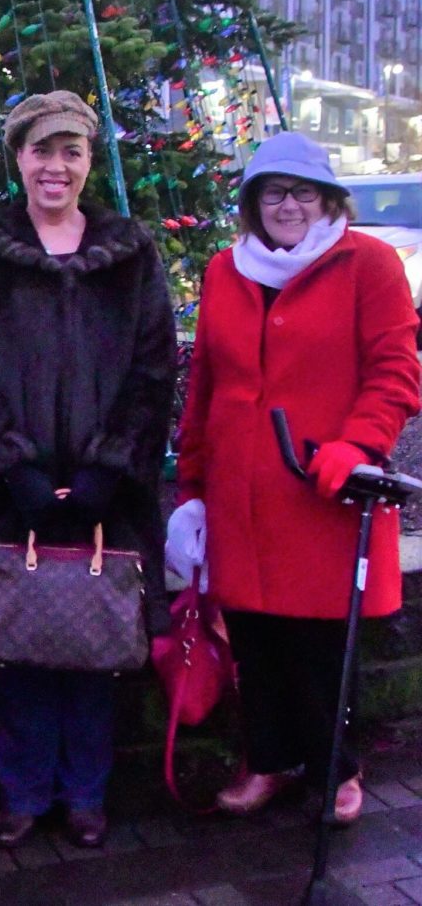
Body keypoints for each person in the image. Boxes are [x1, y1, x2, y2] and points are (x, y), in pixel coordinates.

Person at [0, 90, 176, 850]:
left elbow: (152, 368)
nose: (56, 166)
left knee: (93, 646)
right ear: (19, 157)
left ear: (88, 160)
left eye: (71, 151)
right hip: (14, 490)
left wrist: (112, 465)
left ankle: (85, 796)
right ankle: (23, 790)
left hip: (110, 488)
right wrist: (12, 467)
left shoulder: (130, 253)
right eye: (43, 150)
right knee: (22, 645)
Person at [177, 131, 420, 825]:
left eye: (301, 192)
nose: (287, 205)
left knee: (319, 649)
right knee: (255, 640)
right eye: (272, 192)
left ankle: (336, 767)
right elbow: (207, 386)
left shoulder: (368, 264)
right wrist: (192, 489)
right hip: (241, 498)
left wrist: (359, 445)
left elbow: (396, 372)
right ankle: (271, 760)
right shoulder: (227, 269)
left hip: (323, 493)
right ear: (253, 203)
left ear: (326, 200)